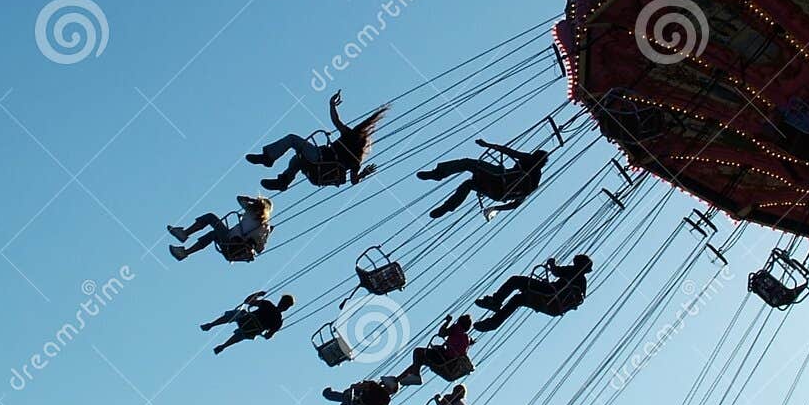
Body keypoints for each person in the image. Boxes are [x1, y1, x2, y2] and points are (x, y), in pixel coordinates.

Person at [246, 91, 388, 192]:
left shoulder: (349, 135)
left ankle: (268, 157)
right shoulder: (356, 161)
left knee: (292, 139)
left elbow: (335, 121)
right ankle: (283, 181)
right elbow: (354, 180)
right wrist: (364, 173)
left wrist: (331, 105)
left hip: (320, 159)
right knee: (297, 160)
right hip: (318, 174)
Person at [417, 140, 550, 219]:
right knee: (469, 184)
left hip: (498, 178)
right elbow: (516, 204)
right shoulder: (536, 181)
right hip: (498, 194)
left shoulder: (528, 159)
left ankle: (438, 173)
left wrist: (488, 145)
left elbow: (509, 151)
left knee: (468, 163)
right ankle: (447, 207)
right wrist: (496, 207)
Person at [472, 255, 592, 332]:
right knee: (518, 299)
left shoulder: (575, 271)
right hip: (553, 308)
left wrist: (551, 263)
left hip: (549, 293)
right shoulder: (583, 283)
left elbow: (556, 271)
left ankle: (496, 301)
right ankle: (493, 323)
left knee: (516, 280)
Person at [168, 195, 272, 262]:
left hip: (230, 241)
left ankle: (185, 233)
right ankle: (185, 253)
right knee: (213, 234)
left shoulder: (250, 212)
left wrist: (253, 200)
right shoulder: (265, 228)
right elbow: (260, 249)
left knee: (211, 217)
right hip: (234, 250)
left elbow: (240, 199)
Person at [203, 291, 294, 355]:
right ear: (287, 308)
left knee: (237, 314)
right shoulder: (278, 321)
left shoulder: (268, 305)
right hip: (251, 330)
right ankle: (223, 346)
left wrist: (257, 294)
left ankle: (211, 325)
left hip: (245, 320)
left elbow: (248, 301)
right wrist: (266, 333)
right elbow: (268, 336)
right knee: (242, 334)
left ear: (280, 302)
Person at [395, 315, 474, 387]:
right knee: (419, 361)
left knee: (418, 352)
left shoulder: (456, 328)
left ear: (459, 322)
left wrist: (448, 321)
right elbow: (455, 351)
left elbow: (441, 333)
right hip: (451, 365)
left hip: (445, 361)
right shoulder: (466, 338)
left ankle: (415, 376)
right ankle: (398, 379)